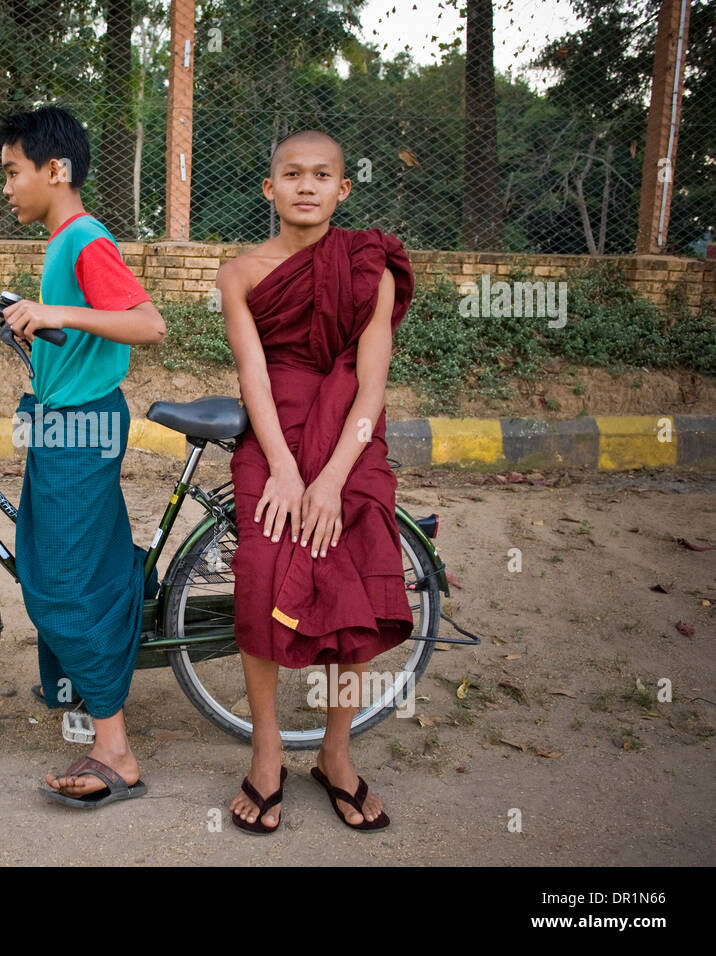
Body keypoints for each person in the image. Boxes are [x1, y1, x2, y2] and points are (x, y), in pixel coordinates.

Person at [216, 129, 415, 834]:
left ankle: (336, 750)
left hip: (351, 441)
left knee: (349, 578)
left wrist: (329, 482)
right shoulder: (239, 273)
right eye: (292, 175)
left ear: (343, 188)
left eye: (321, 174)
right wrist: (284, 471)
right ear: (269, 190)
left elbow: (370, 386)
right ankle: (266, 746)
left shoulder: (370, 269)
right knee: (265, 569)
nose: (306, 185)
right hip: (273, 438)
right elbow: (253, 379)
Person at [0, 104, 166, 808]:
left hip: (80, 429)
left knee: (66, 577)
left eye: (13, 171)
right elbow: (87, 332)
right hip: (61, 422)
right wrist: (35, 322)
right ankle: (73, 681)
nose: (6, 188)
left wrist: (57, 314)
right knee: (58, 557)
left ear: (54, 170)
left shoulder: (85, 238)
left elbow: (147, 323)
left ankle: (115, 751)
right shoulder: (62, 239)